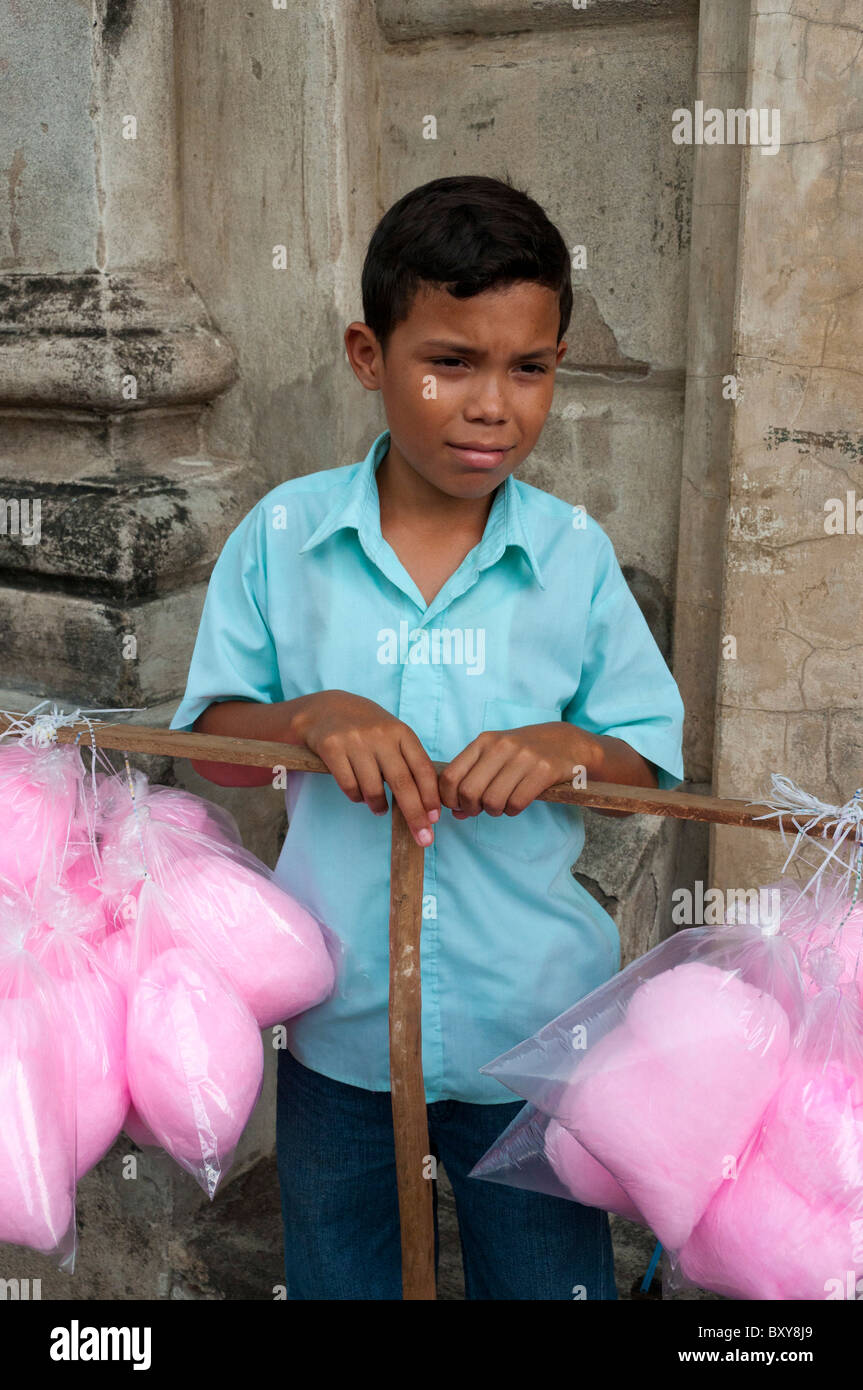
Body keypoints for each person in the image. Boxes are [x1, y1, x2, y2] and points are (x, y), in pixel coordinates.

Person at [170, 174, 685, 1300]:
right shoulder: (283, 537)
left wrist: (569, 747)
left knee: (547, 1282)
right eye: (448, 361)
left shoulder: (575, 555)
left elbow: (645, 764)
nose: (491, 404)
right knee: (340, 1282)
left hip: (533, 1039)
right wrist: (308, 722)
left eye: (528, 367)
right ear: (368, 354)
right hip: (337, 1036)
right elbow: (206, 742)